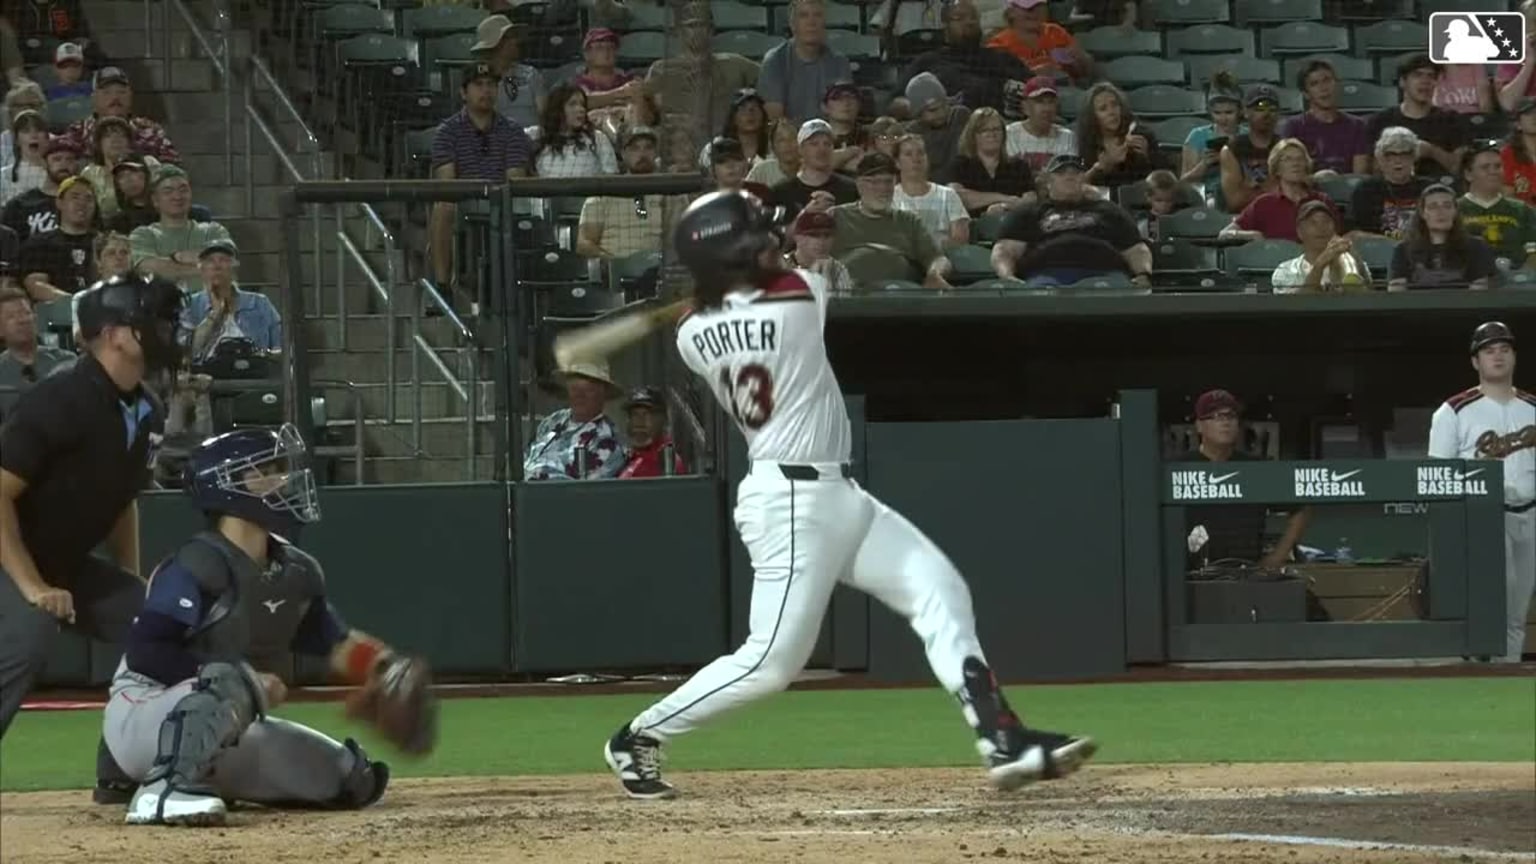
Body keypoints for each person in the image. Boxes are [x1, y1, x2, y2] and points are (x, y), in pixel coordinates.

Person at [601, 190, 1097, 800]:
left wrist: (730, 275)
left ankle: (1002, 739)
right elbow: (801, 265)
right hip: (790, 505)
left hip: (836, 494)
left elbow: (739, 294)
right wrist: (786, 245)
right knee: (769, 664)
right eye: (756, 237)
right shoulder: (797, 301)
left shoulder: (691, 335)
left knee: (938, 589)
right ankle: (638, 735)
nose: (770, 241)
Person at [107, 424, 431, 825]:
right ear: (226, 486)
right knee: (231, 680)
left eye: (279, 467)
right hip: (143, 717)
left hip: (226, 725)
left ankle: (202, 777)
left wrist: (384, 671)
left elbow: (331, 641)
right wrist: (243, 681)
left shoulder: (295, 569)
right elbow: (145, 652)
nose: (284, 478)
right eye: (266, 469)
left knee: (349, 777)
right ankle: (161, 791)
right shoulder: (196, 564)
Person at [0, 272, 184, 804]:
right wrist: (32, 586)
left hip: (64, 561)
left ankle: (121, 769)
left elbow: (122, 498)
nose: (163, 327)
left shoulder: (146, 406)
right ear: (112, 335)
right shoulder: (59, 398)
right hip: (13, 556)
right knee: (30, 632)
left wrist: (131, 576)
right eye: (148, 318)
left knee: (158, 623)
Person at [1427, 323, 1534, 664]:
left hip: (1530, 514)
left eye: (1504, 348)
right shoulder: (1454, 410)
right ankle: (1482, 673)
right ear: (1476, 362)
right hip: (1484, 516)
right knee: (1493, 604)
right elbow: (1438, 476)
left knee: (1518, 608)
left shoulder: (1532, 407)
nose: (1498, 355)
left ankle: (1509, 677)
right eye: (1489, 350)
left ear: (1515, 356)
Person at [1387, 184, 1499, 290]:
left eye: (1447, 206)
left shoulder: (1477, 248)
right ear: (1423, 213)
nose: (1440, 212)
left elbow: (1479, 294)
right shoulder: (1403, 250)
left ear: (1455, 211)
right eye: (1433, 207)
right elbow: (1396, 292)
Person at [1271, 199, 1372, 293]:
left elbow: (1369, 303)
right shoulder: (1285, 270)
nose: (1321, 228)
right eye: (1313, 223)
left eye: (1326, 222)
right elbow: (1295, 306)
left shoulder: (1352, 264)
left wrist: (1358, 263)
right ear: (1299, 232)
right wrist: (1319, 265)